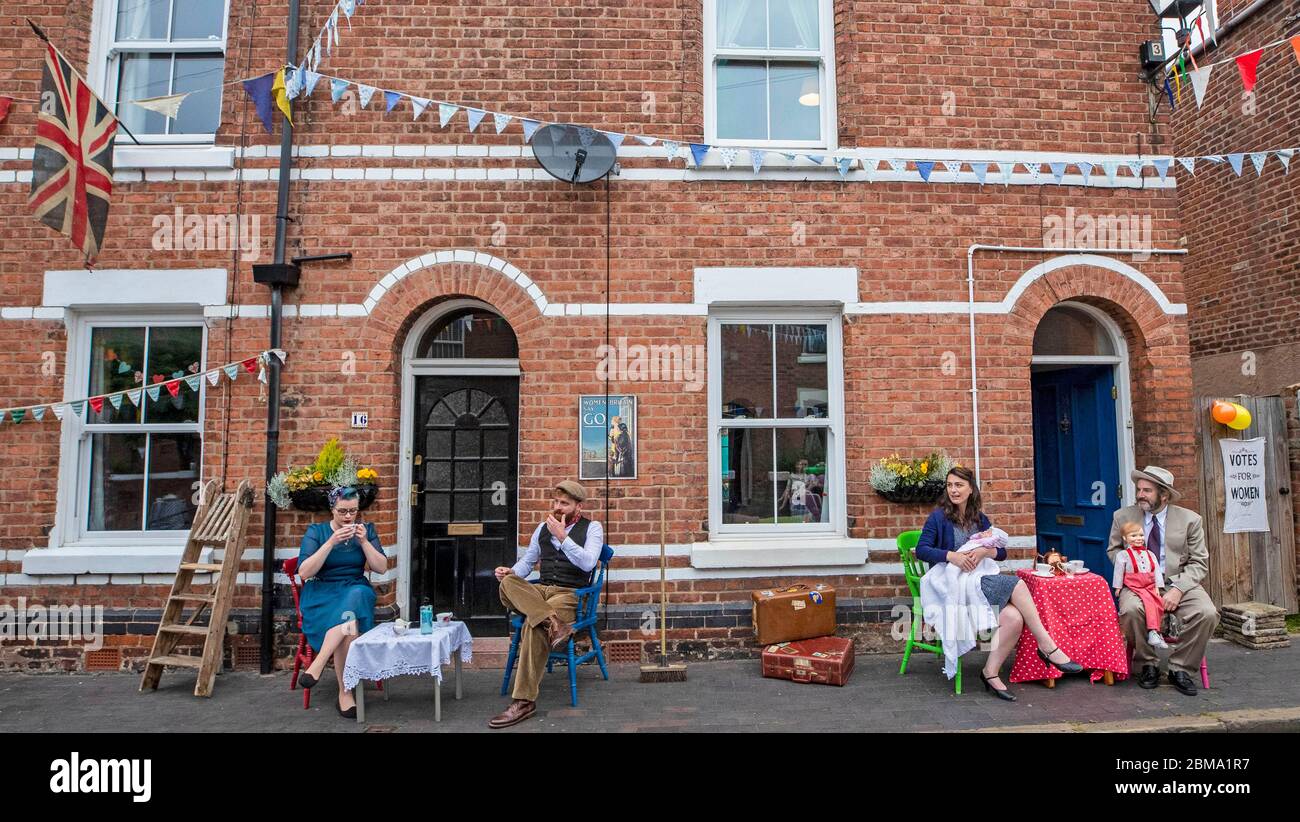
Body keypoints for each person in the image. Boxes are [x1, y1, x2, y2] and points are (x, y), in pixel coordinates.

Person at [914, 466, 1083, 702]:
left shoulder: (979, 518)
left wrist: (985, 551)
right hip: (951, 581)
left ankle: (990, 673)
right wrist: (953, 556)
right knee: (1017, 584)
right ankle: (1047, 645)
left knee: (1014, 618)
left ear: (971, 489)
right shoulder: (938, 517)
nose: (953, 490)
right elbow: (922, 550)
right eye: (950, 485)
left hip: (977, 578)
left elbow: (1001, 552)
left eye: (959, 485)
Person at [489, 480, 604, 728]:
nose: (558, 507)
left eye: (565, 503)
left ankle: (523, 701)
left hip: (569, 592)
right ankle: (553, 623)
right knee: (508, 584)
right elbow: (528, 562)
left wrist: (563, 537)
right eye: (556, 502)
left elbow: (588, 563)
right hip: (540, 591)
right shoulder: (542, 527)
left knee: (533, 625)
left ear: (578, 506)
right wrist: (511, 571)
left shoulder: (593, 528)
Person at [1107, 466, 1218, 696]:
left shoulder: (1190, 520)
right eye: (1139, 489)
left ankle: (1181, 668)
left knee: (1207, 613)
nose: (1140, 495)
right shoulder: (1123, 516)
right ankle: (1148, 663)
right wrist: (1129, 568)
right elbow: (1114, 549)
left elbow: (1199, 563)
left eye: (1147, 490)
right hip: (1138, 584)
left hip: (1179, 581)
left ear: (1164, 495)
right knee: (1129, 610)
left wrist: (1178, 588)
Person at [295, 486, 387, 718]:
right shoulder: (316, 532)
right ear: (332, 510)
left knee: (356, 596)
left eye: (353, 511)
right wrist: (330, 543)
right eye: (342, 511)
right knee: (349, 626)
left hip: (354, 588)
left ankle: (318, 664)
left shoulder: (367, 530)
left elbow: (381, 567)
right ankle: (345, 693)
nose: (348, 517)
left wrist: (365, 542)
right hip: (322, 594)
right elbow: (304, 573)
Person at [1112, 520, 1169, 651]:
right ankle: (1152, 633)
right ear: (1125, 538)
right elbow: (1119, 571)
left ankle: (1155, 632)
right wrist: (1118, 587)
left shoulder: (1150, 554)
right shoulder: (1123, 555)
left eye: (1141, 535)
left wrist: (1157, 586)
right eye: (1134, 536)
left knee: (1156, 603)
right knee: (1140, 606)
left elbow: (1156, 571)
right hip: (1134, 585)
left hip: (1149, 585)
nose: (1138, 539)